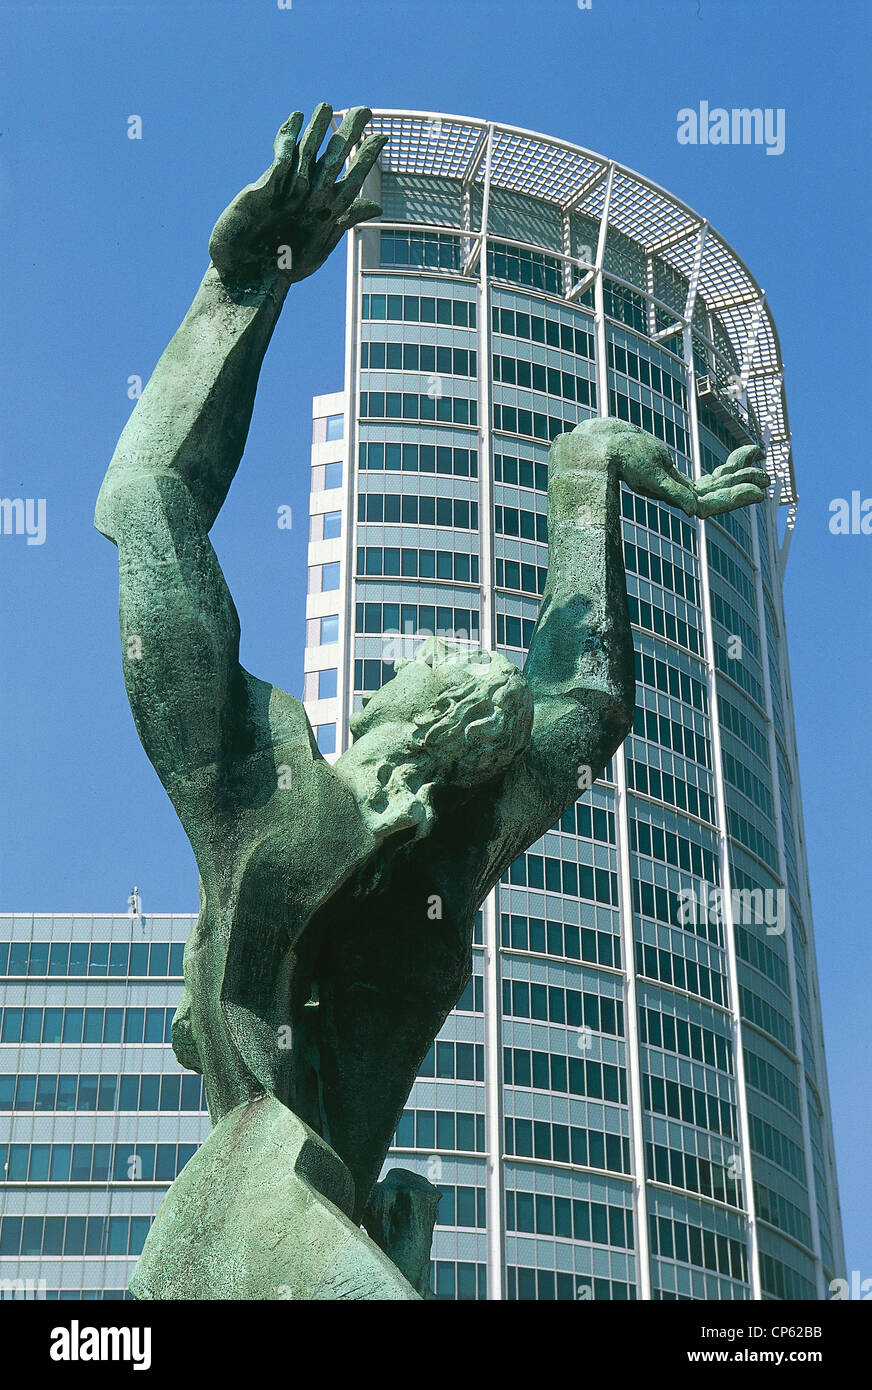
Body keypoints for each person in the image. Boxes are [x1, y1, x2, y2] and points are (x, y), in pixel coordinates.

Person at [95, 104, 769, 1244]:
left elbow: (584, 701)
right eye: (444, 722)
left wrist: (584, 469)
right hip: (252, 1210)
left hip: (333, 1214)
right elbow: (149, 513)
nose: (446, 754)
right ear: (369, 710)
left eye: (470, 744)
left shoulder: (446, 839)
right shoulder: (250, 781)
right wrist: (242, 287)